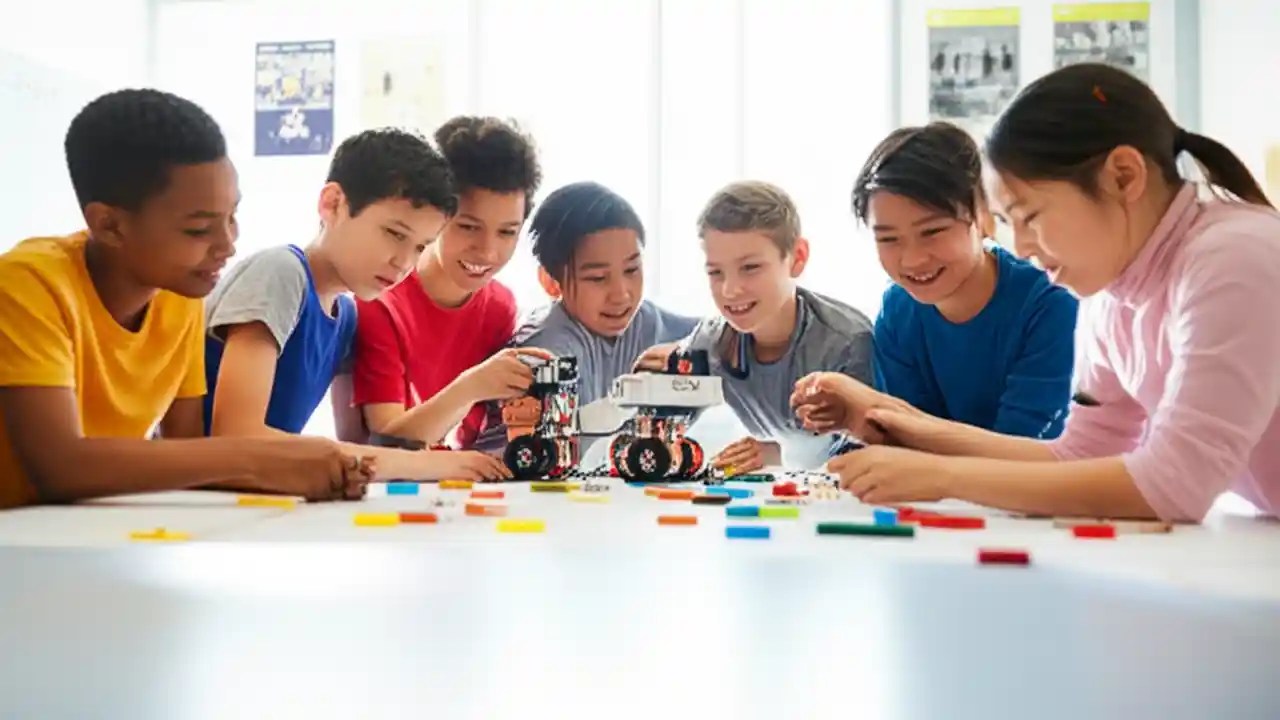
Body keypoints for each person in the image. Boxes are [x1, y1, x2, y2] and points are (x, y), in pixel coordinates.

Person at [793, 63, 1280, 522]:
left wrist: (941, 475)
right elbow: (1080, 454)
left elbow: (1174, 485)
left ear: (1124, 177)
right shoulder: (1109, 298)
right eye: (1010, 223)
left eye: (1031, 217)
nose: (1022, 247)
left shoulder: (1231, 258)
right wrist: (896, 422)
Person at [0, 89, 368, 509]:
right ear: (109, 224)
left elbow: (188, 455)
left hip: (80, 538)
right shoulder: (28, 285)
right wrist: (258, 458)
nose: (227, 245)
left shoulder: (180, 293)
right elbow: (59, 467)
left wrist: (295, 469)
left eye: (232, 217)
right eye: (198, 230)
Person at [201, 128, 508, 481]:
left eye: (421, 247)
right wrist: (420, 464)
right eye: (394, 234)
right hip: (195, 497)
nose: (403, 262)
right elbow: (236, 437)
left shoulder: (346, 314)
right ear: (333, 203)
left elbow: (361, 444)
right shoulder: (280, 273)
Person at [851, 122, 1077, 439]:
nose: (913, 259)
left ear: (983, 216)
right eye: (888, 239)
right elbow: (905, 438)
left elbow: (1023, 451)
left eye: (932, 232)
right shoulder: (898, 308)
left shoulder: (1050, 303)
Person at [634, 181, 873, 472]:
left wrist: (779, 452)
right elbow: (659, 434)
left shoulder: (847, 343)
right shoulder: (711, 341)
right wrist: (650, 392)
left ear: (797, 258)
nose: (730, 290)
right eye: (715, 272)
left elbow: (864, 455)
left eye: (750, 268)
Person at [344, 116, 547, 450]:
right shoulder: (380, 301)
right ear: (436, 214)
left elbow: (476, 438)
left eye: (507, 231)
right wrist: (472, 386)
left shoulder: (500, 307)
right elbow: (388, 440)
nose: (488, 250)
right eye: (468, 226)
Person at [474, 181, 699, 453]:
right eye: (597, 278)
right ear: (551, 282)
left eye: (631, 270)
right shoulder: (543, 349)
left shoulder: (647, 320)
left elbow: (731, 339)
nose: (621, 295)